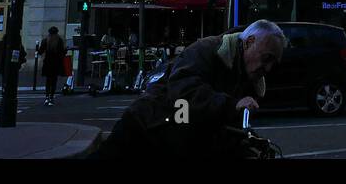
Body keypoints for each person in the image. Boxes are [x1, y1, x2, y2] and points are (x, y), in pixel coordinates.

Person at [94, 20, 286, 160]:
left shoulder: (247, 79)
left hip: (176, 139)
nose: (268, 68)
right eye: (266, 58)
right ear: (249, 42)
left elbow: (223, 126)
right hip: (146, 126)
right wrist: (231, 104)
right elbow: (183, 92)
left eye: (273, 63)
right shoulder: (207, 50)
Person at [38, 27, 66, 106]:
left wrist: (38, 49)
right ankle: (51, 97)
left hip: (48, 62)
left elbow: (40, 51)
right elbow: (62, 53)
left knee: (48, 81)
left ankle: (47, 97)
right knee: (54, 81)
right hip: (56, 63)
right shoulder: (59, 41)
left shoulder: (46, 40)